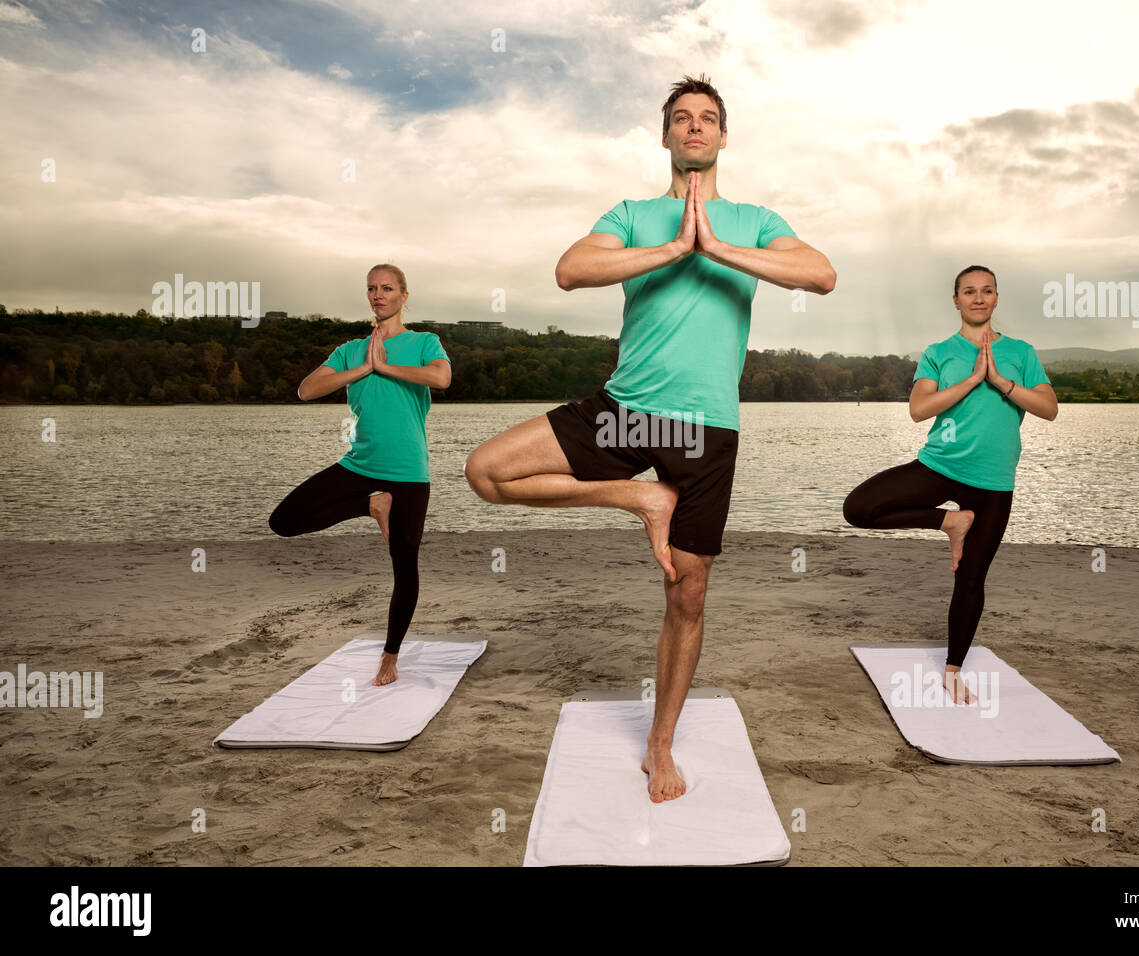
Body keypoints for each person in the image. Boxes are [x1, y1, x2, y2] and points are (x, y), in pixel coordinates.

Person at [464, 74, 835, 802]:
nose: (694, 129)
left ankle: (660, 743)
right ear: (665, 135)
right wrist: (673, 250)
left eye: (707, 119)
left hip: (706, 433)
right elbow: (573, 269)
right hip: (626, 410)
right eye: (681, 119)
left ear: (724, 137)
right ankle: (641, 500)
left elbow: (819, 274)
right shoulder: (633, 213)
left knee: (687, 598)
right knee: (487, 471)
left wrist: (717, 247)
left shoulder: (754, 219)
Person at [842, 265, 1058, 704]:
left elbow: (1049, 408)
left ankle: (954, 669)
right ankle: (949, 522)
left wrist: (1001, 382)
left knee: (972, 578)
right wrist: (973, 380)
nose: (978, 298)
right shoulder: (939, 352)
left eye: (986, 291)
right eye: (968, 292)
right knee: (859, 509)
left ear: (996, 298)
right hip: (940, 465)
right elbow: (919, 409)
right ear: (955, 300)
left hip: (994, 482)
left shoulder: (1020, 351)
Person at [268, 264, 452, 687]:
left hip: (408, 470)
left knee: (404, 564)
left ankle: (390, 655)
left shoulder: (424, 342)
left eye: (387, 288)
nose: (378, 294)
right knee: (285, 521)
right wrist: (364, 369)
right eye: (371, 288)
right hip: (359, 464)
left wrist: (388, 368)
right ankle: (371, 503)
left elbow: (442, 377)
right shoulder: (351, 349)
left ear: (405, 296)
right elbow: (307, 389)